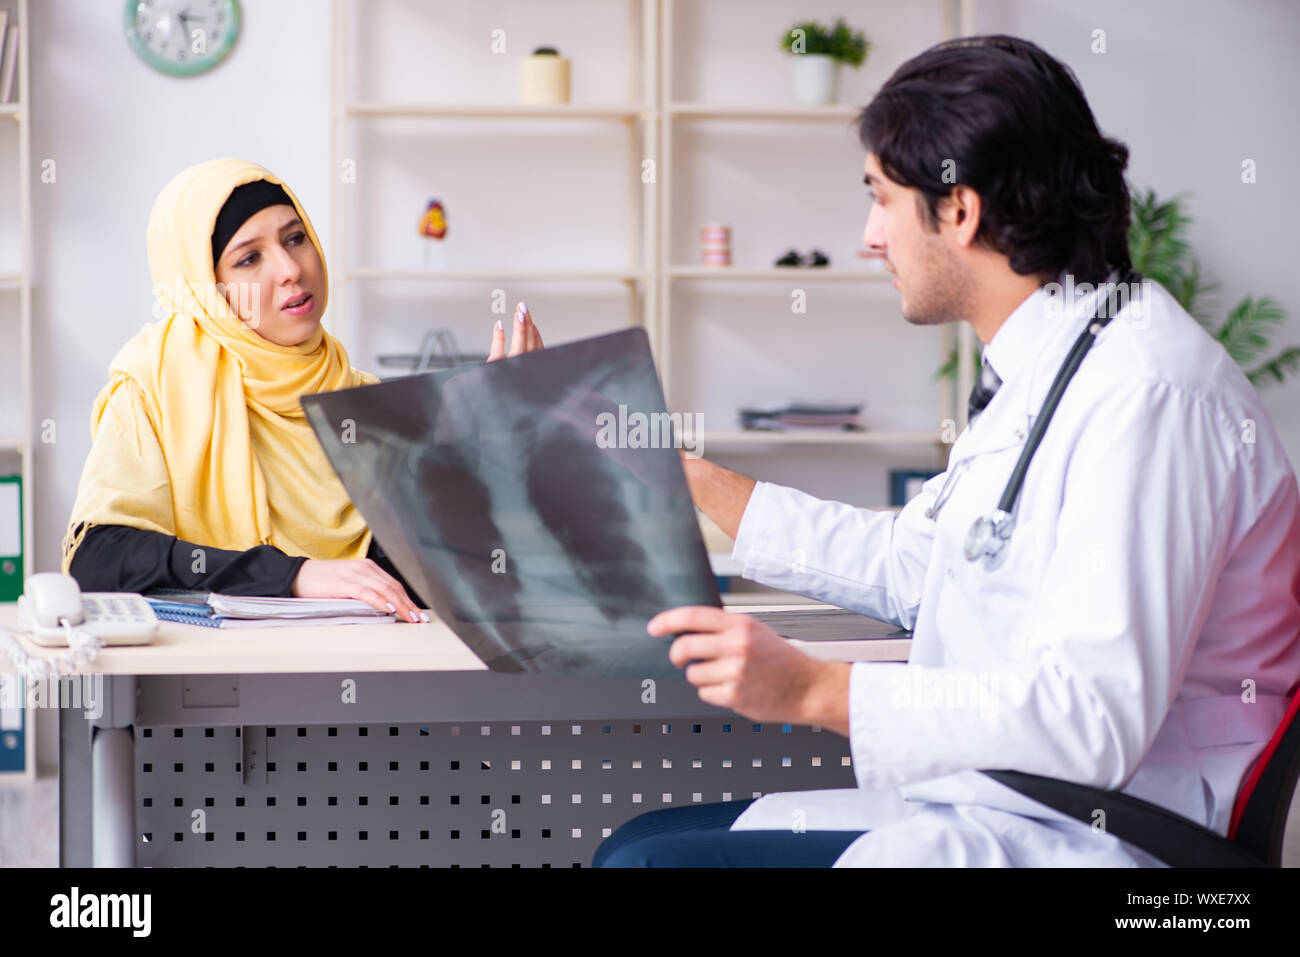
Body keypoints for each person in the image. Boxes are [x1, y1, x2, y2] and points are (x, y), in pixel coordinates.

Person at [593, 35, 1300, 866]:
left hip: (1111, 832)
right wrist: (684, 477)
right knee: (641, 843)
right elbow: (909, 562)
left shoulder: (1149, 396)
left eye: (881, 199)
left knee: (642, 863)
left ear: (959, 210)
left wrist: (818, 690)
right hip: (1014, 799)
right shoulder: (1051, 367)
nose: (867, 236)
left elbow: (1095, 719)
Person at [60, 158, 543, 619]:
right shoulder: (154, 386)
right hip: (210, 687)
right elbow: (101, 559)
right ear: (207, 289)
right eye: (249, 258)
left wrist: (499, 439)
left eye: (295, 239)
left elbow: (435, 578)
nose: (290, 269)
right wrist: (294, 575)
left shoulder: (363, 402)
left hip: (371, 685)